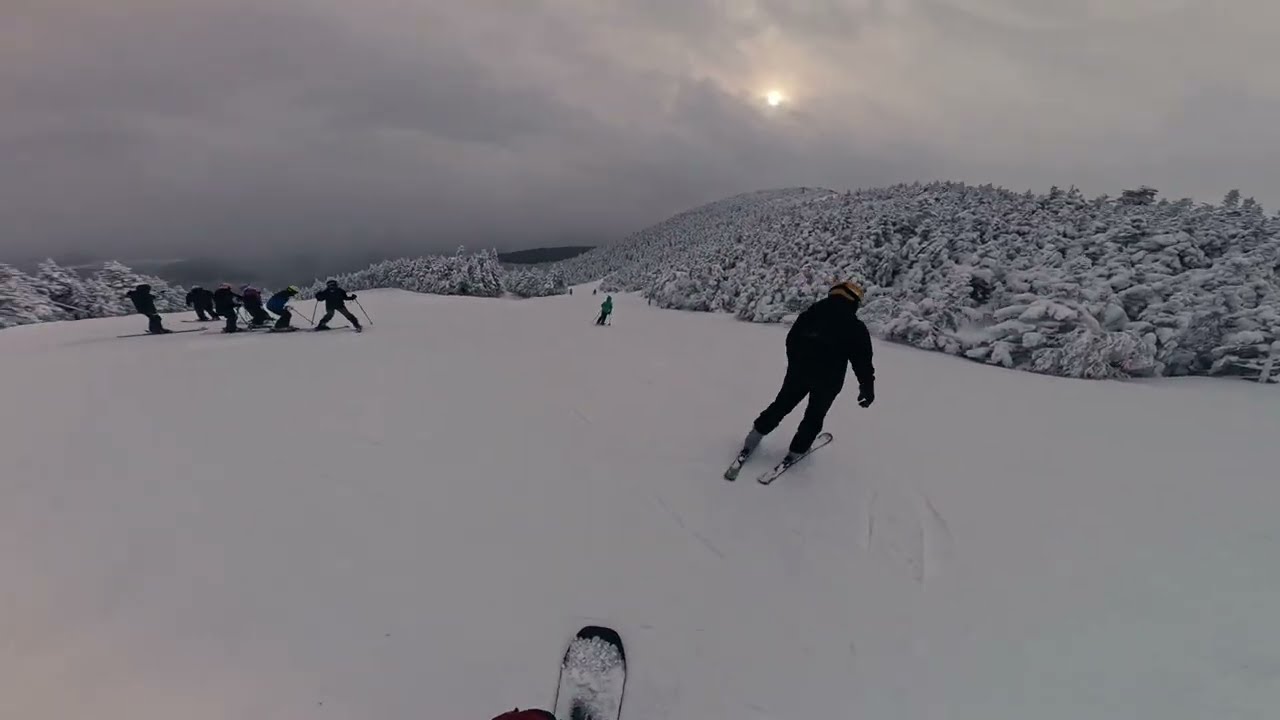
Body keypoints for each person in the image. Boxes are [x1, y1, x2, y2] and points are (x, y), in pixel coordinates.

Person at [739, 280, 876, 466]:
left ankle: (753, 438)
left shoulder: (809, 315)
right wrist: (867, 387)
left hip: (798, 373)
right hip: (829, 381)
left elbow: (791, 341)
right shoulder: (855, 326)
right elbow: (862, 361)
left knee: (780, 406)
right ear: (853, 301)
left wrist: (796, 364)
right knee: (814, 416)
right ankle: (797, 451)